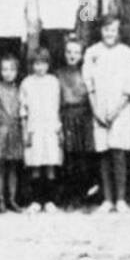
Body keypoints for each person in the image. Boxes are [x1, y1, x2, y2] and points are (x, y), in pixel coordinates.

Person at [84, 16, 130, 213]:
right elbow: (88, 84)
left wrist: (116, 110)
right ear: (100, 31)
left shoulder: (127, 53)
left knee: (119, 152)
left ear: (119, 32)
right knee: (103, 153)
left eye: (113, 30)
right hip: (99, 108)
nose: (109, 34)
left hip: (120, 108)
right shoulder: (92, 52)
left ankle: (121, 199)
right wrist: (95, 109)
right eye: (106, 30)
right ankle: (107, 199)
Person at [20, 48, 62, 212]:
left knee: (50, 163)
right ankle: (36, 200)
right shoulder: (27, 83)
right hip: (34, 127)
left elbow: (56, 107)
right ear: (31, 65)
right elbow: (23, 109)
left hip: (51, 127)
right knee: (35, 163)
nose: (40, 68)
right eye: (36, 64)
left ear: (48, 65)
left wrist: (59, 130)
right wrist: (25, 131)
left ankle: (50, 200)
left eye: (43, 64)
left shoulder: (53, 82)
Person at [57, 36, 93, 207]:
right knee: (68, 158)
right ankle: (69, 196)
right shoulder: (58, 73)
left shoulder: (87, 71)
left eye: (76, 52)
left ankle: (82, 195)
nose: (72, 55)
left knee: (83, 158)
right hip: (66, 117)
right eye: (69, 52)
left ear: (82, 55)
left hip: (83, 116)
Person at [0, 55, 24, 213]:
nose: (8, 73)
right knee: (0, 166)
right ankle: (0, 200)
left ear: (17, 71)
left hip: (15, 130)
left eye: (11, 69)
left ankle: (12, 199)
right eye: (4, 69)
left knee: (13, 167)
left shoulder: (19, 89)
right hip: (0, 131)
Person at [36, 0, 81, 69]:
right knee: (49, 65)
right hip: (49, 33)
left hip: (67, 33)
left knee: (66, 66)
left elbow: (79, 16)